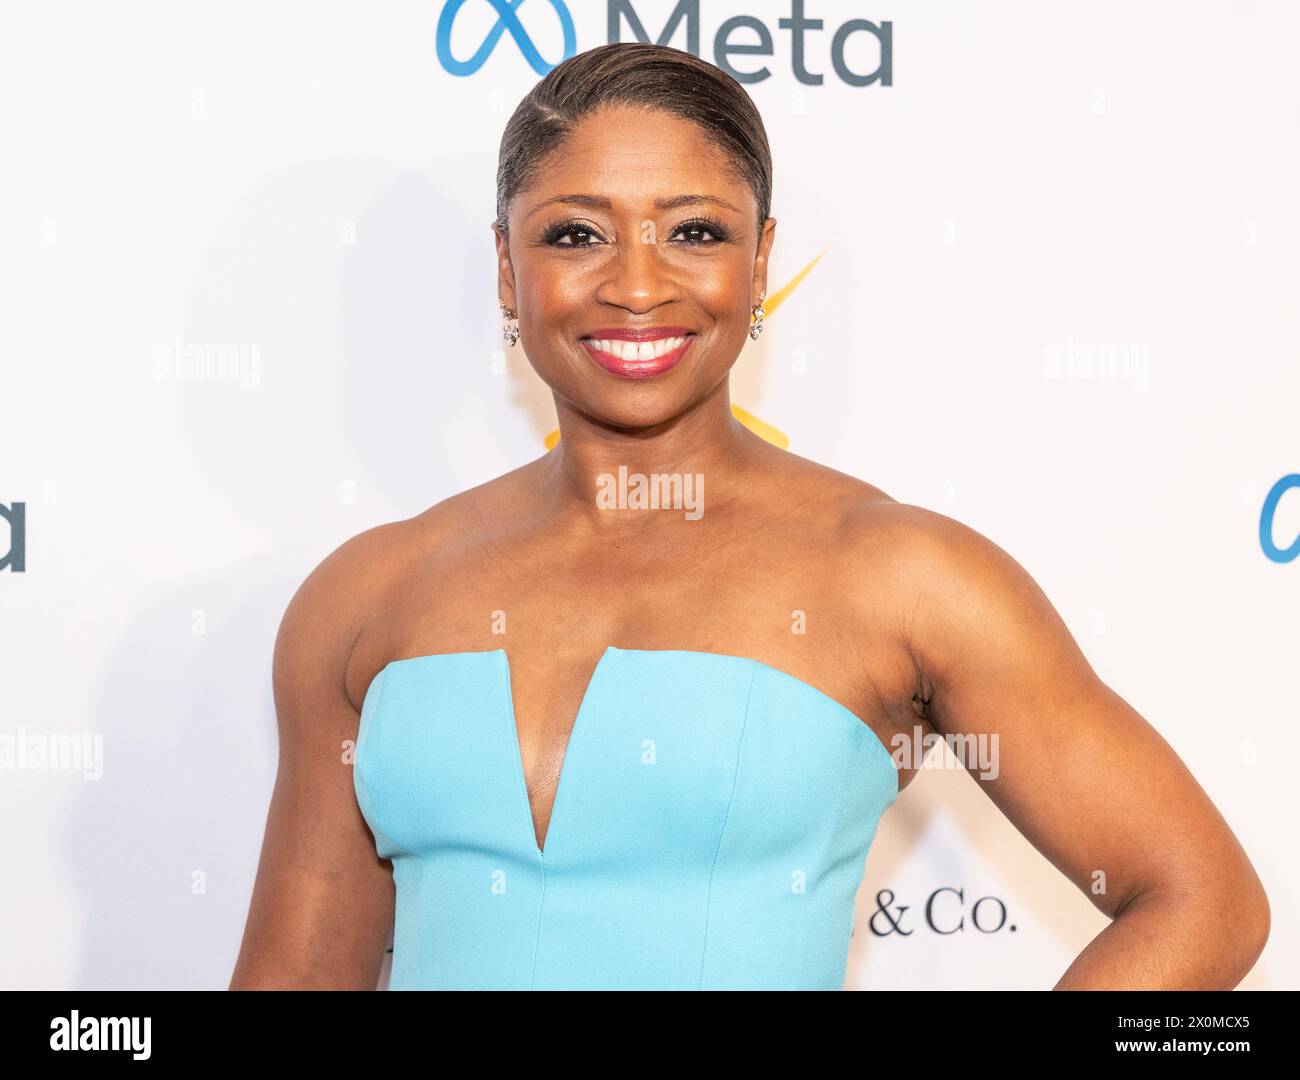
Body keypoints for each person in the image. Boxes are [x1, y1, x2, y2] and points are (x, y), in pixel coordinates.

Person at [230, 42, 1269, 990]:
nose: (637, 286)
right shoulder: (365, 596)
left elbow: (1203, 899)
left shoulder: (898, 573)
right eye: (576, 234)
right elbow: (294, 980)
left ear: (760, 262)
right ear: (507, 268)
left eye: (694, 232)